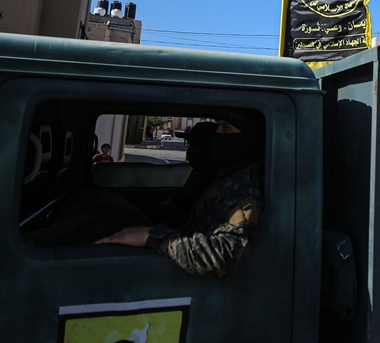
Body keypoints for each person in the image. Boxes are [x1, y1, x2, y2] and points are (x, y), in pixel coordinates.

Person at [97, 110, 265, 278]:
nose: (217, 136)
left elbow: (225, 255)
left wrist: (154, 237)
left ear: (249, 137)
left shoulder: (248, 186)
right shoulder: (225, 177)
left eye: (225, 129)